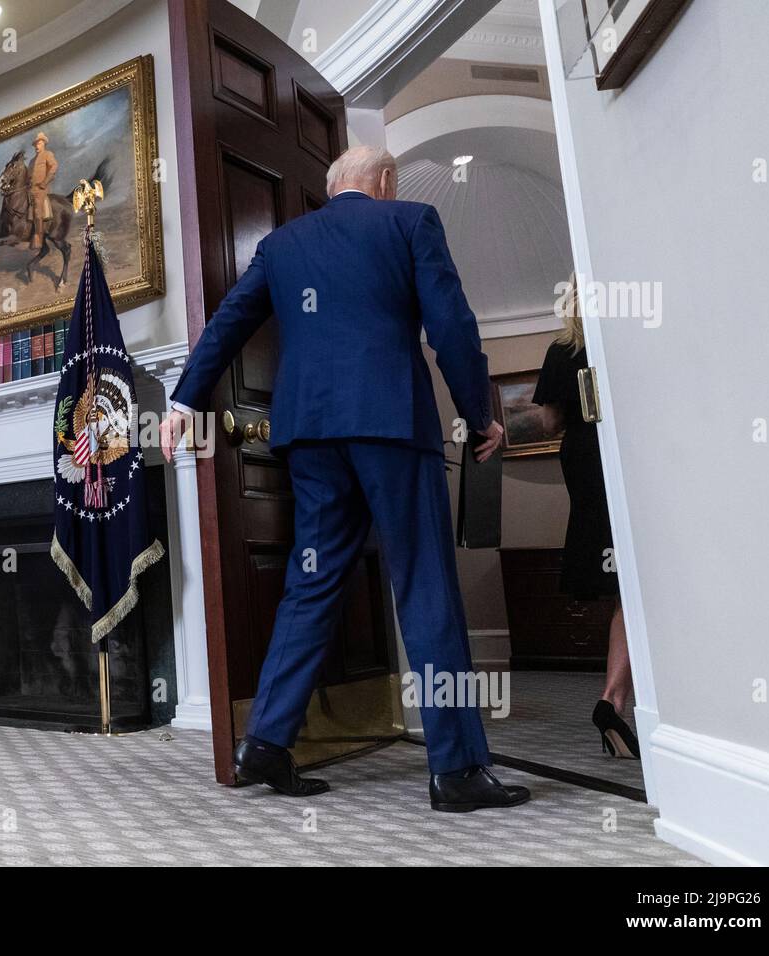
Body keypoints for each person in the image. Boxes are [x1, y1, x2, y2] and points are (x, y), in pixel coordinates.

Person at [161, 145, 530, 812]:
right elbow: (452, 326)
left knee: (311, 584)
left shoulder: (282, 244)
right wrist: (480, 416)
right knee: (424, 585)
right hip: (390, 423)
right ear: (386, 181)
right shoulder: (410, 221)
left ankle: (267, 742)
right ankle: (456, 769)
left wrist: (183, 401)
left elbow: (228, 322)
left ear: (332, 188)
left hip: (308, 433)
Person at [533, 281, 639, 759]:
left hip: (582, 460)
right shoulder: (625, 339)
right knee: (639, 584)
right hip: (624, 457)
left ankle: (613, 700)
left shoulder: (561, 351)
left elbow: (549, 425)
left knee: (627, 582)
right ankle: (613, 699)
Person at [28, 131, 58, 252]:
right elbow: (28, 176)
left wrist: (45, 182)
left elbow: (54, 166)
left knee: (37, 210)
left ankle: (38, 237)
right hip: (30, 189)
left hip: (41, 189)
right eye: (35, 144)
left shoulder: (47, 154)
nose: (36, 146)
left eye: (39, 143)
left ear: (44, 143)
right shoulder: (31, 161)